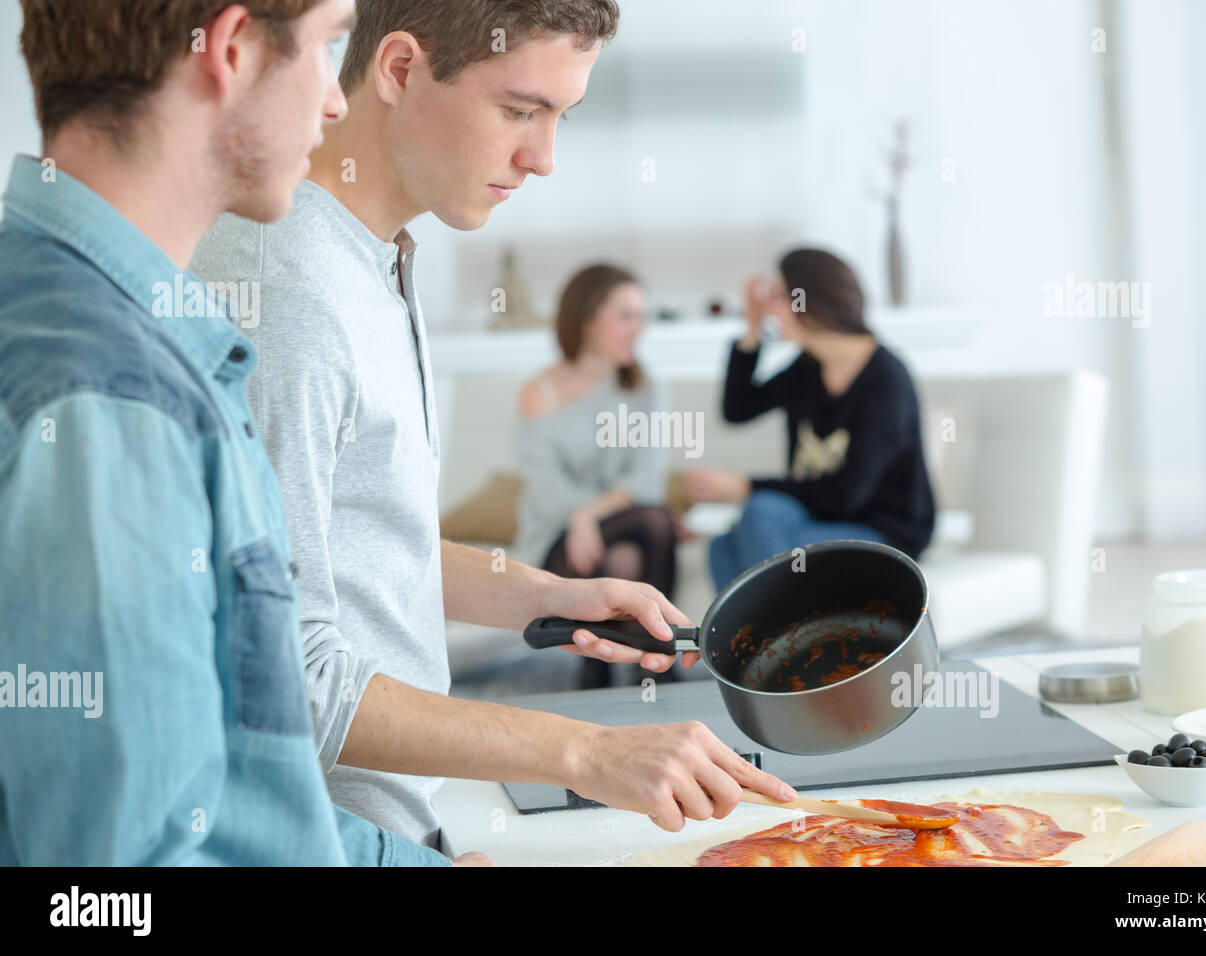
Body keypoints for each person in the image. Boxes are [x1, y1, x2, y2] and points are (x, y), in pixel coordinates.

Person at [190, 0, 797, 849]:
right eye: (520, 110)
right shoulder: (286, 299)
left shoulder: (376, 252)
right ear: (399, 70)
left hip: (395, 833)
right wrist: (583, 751)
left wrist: (544, 596)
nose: (543, 159)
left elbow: (351, 551)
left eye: (560, 118)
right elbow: (283, 667)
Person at [0, 0, 480, 865]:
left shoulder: (127, 331)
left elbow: (236, 784)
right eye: (327, 47)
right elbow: (114, 884)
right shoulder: (111, 397)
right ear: (229, 49)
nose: (336, 101)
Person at [687, 247, 936, 590]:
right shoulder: (806, 369)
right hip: (817, 520)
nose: (768, 307)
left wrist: (745, 487)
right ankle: (770, 642)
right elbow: (737, 410)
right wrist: (752, 329)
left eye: (777, 296)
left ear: (809, 303)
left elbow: (847, 495)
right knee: (722, 548)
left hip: (884, 532)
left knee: (760, 513)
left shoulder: (886, 380)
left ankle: (788, 638)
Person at [515, 264, 681, 690]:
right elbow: (548, 492)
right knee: (632, 540)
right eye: (626, 315)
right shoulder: (539, 393)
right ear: (587, 319)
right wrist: (577, 518)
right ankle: (606, 665)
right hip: (555, 538)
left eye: (642, 317)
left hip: (618, 523)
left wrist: (588, 514)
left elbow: (647, 478)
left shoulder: (645, 388)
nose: (638, 329)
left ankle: (651, 659)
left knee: (651, 522)